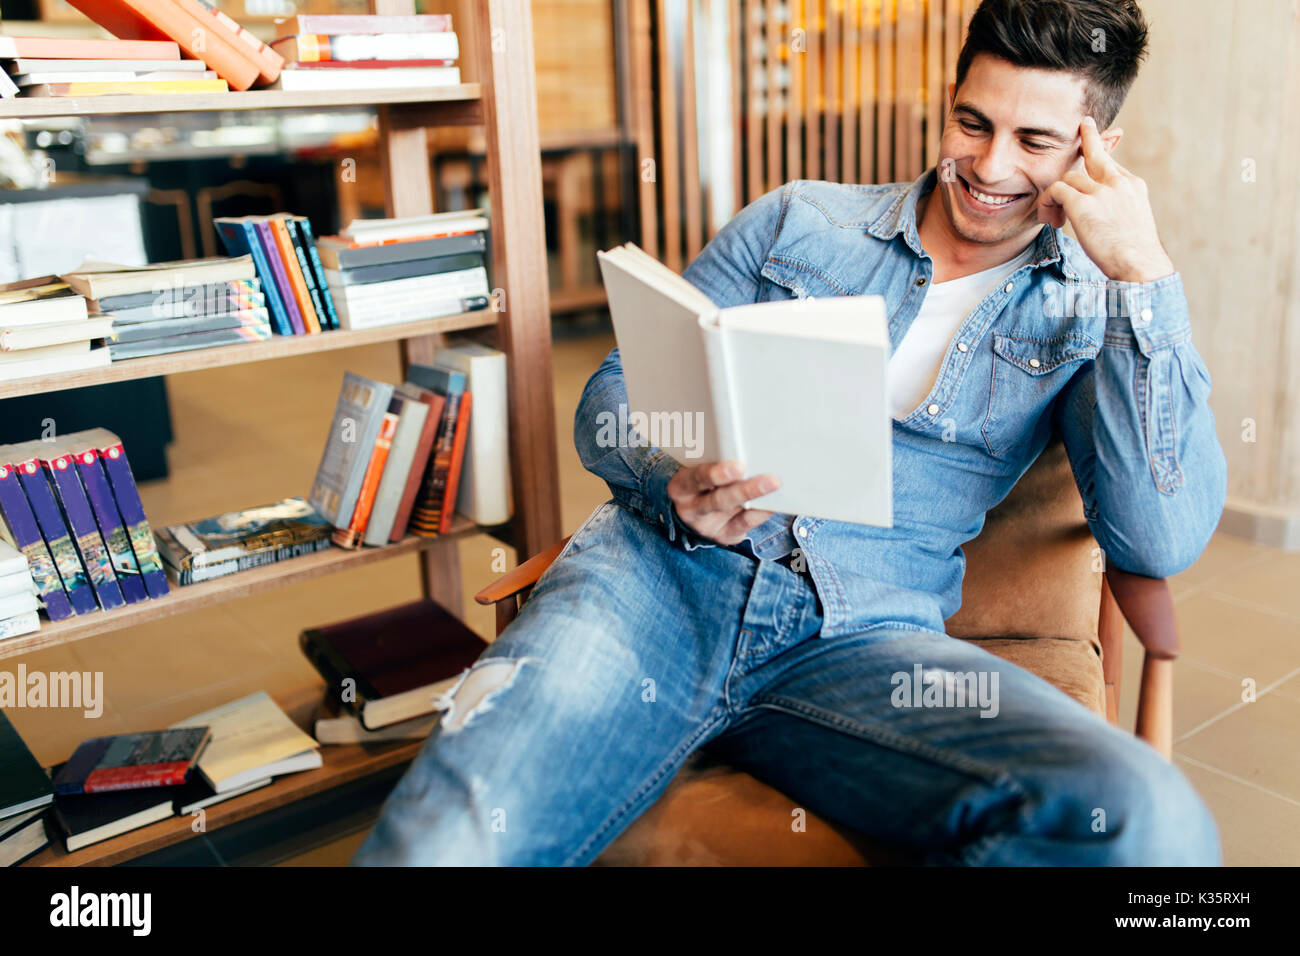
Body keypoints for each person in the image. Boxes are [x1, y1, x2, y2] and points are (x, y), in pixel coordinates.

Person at [354, 0, 1227, 866]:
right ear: (949, 98)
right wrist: (671, 477)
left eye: (1034, 143)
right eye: (972, 123)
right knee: (447, 840)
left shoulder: (1093, 305)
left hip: (868, 644)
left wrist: (1140, 277)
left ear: (1094, 150)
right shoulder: (800, 220)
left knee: (1150, 818)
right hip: (656, 585)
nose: (989, 166)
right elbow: (614, 394)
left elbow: (1157, 534)